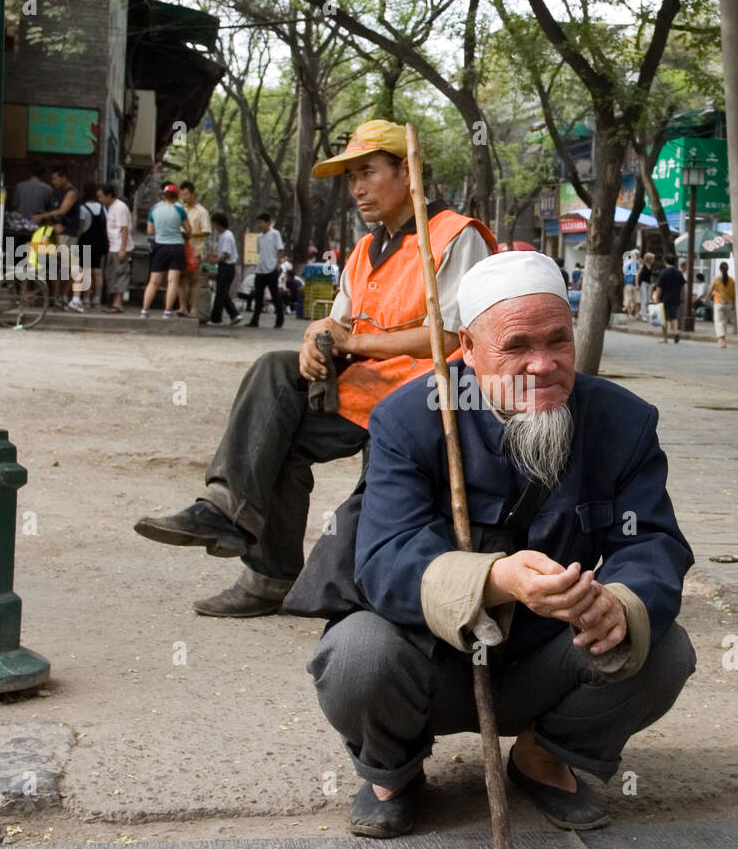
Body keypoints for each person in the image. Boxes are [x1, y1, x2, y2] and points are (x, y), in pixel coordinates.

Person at [301, 251, 696, 838]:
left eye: (558, 341)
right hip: (427, 660)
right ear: (467, 346)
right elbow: (386, 559)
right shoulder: (410, 420)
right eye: (517, 346)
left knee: (659, 648)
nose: (543, 365)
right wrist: (497, 580)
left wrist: (618, 603)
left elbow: (654, 543)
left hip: (545, 661)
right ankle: (395, 769)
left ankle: (543, 754)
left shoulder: (622, 421)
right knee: (355, 654)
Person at [133, 118, 497, 617]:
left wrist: (358, 341)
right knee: (276, 376)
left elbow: (457, 336)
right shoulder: (367, 250)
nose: (357, 189)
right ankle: (240, 533)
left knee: (343, 574)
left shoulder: (456, 236)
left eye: (367, 172)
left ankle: (354, 581)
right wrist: (315, 339)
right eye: (351, 179)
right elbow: (338, 321)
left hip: (429, 399)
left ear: (407, 172)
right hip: (366, 390)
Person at [32, 164, 80, 308]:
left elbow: (62, 211)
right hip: (57, 234)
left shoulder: (71, 193)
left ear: (64, 178)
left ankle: (65, 296)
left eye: (55, 179)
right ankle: (57, 296)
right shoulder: (58, 193)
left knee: (68, 266)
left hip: (67, 234)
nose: (53, 182)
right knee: (57, 266)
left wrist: (42, 216)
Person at [141, 183, 189, 319]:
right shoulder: (179, 209)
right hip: (177, 246)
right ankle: (167, 312)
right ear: (176, 196)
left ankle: (145, 310)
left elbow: (150, 231)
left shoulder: (154, 209)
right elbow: (189, 230)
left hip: (160, 246)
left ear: (163, 195)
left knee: (154, 281)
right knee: (173, 281)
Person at [179, 181, 212, 321]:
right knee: (181, 279)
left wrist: (191, 234)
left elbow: (206, 231)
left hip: (195, 250)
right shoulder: (182, 210)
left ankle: (194, 309)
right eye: (182, 195)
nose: (184, 197)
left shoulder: (202, 211)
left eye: (186, 194)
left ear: (192, 194)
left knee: (194, 280)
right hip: (181, 249)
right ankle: (182, 307)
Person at [208, 212, 244, 327]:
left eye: (213, 224)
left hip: (227, 267)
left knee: (220, 293)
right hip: (225, 267)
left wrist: (216, 261)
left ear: (218, 224)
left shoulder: (227, 236)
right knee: (222, 293)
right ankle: (234, 314)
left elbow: (226, 255)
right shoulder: (224, 235)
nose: (213, 227)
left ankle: (216, 318)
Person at [99, 185, 132, 313]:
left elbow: (124, 228)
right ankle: (114, 302)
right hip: (113, 246)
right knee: (111, 274)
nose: (100, 199)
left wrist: (122, 248)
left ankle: (118, 303)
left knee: (120, 274)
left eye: (102, 196)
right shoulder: (110, 207)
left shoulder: (120, 207)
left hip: (119, 245)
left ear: (109, 195)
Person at [251, 213, 286, 328]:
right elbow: (259, 252)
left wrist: (277, 264)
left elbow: (280, 250)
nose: (259, 225)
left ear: (268, 223)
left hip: (271, 268)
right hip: (260, 269)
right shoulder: (259, 237)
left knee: (274, 294)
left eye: (261, 222)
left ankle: (280, 318)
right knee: (258, 295)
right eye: (258, 222)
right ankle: (254, 320)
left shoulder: (275, 234)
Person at [77, 182, 107, 310]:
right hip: (100, 243)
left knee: (86, 271)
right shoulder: (102, 208)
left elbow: (81, 228)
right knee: (98, 272)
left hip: (86, 241)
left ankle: (86, 298)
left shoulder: (83, 208)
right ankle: (97, 298)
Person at [652, 256, 683, 343]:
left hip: (665, 298)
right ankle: (676, 331)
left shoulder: (663, 272)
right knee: (674, 316)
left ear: (665, 262)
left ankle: (665, 338)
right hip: (676, 297)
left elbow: (659, 287)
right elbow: (682, 287)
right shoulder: (678, 272)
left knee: (664, 318)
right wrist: (682, 297)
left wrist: (656, 298)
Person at [706, 261, 735, 348]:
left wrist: (706, 299)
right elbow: (733, 294)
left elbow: (710, 291)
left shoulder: (716, 279)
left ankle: (721, 340)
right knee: (724, 322)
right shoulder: (731, 280)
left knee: (719, 322)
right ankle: (723, 339)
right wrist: (734, 304)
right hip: (728, 304)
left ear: (720, 269)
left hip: (718, 303)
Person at [637, 252, 656, 320]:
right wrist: (637, 284)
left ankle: (641, 312)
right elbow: (638, 274)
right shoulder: (643, 265)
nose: (654, 260)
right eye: (653, 258)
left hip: (649, 284)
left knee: (648, 300)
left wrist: (652, 283)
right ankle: (643, 315)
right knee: (644, 299)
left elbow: (650, 276)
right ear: (649, 259)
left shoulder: (650, 266)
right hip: (643, 283)